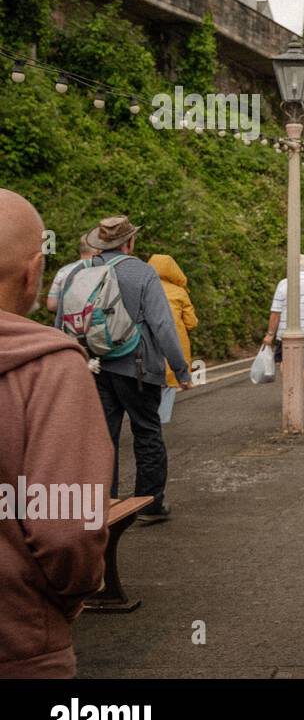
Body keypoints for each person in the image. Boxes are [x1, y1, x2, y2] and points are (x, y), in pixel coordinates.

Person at [0, 191, 114, 677]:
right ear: (32, 271)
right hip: (20, 645)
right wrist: (66, 602)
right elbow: (67, 529)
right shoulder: (49, 368)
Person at [67, 216, 191, 524]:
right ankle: (148, 504)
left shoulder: (80, 272)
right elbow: (163, 325)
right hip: (137, 367)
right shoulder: (142, 272)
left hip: (95, 366)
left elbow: (63, 322)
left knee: (103, 437)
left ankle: (104, 503)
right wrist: (181, 369)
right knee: (146, 432)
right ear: (130, 242)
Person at [147, 254, 198, 425]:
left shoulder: (145, 287)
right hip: (174, 345)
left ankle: (149, 420)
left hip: (147, 346)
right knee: (169, 384)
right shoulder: (179, 292)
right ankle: (161, 421)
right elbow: (191, 323)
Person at [263, 254, 304, 394]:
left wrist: (270, 334)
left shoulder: (284, 283)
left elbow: (276, 312)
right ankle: (298, 396)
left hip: (285, 332)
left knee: (285, 362)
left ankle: (291, 393)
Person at [45, 232, 95, 312]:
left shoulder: (63, 271)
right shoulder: (103, 269)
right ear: (97, 249)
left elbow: (52, 305)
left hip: (69, 320)